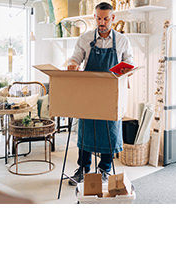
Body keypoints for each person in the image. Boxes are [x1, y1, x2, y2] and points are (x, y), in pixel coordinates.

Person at [67, 1, 133, 186]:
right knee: (86, 130)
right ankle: (83, 168)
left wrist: (124, 72)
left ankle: (104, 169)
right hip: (89, 92)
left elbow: (129, 63)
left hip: (112, 94)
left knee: (109, 131)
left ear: (112, 18)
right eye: (98, 18)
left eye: (105, 19)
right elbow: (75, 58)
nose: (101, 22)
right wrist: (72, 64)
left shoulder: (122, 40)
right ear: (94, 17)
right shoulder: (85, 38)